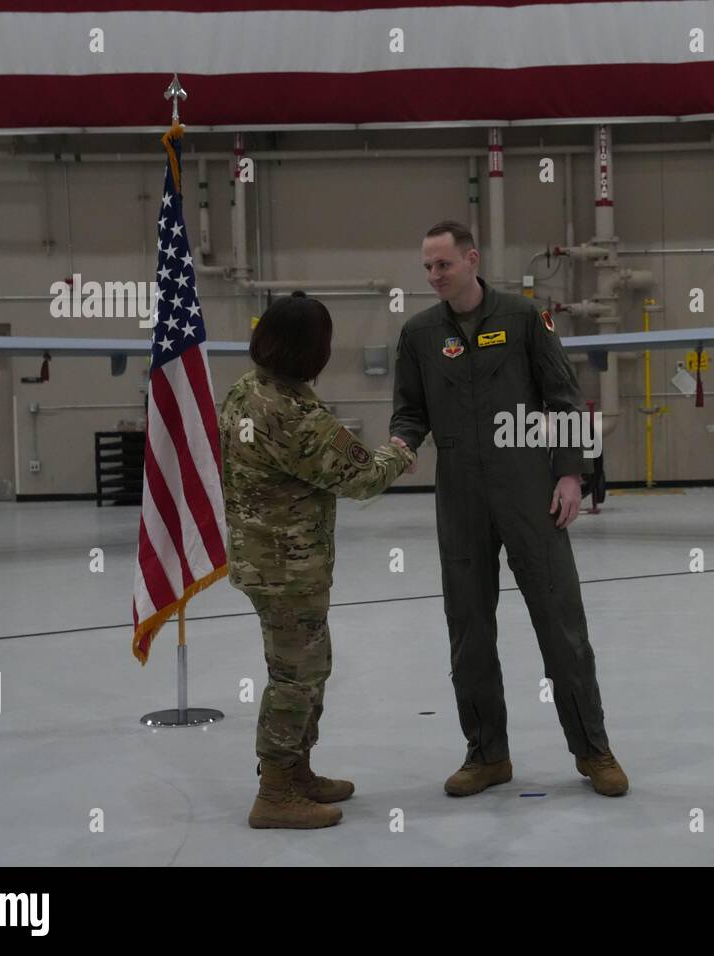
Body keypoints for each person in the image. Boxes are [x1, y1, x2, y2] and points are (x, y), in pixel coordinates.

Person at [389, 220, 627, 797]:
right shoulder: (419, 334)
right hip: (460, 500)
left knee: (561, 624)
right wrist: (400, 445)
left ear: (471, 259)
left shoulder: (525, 318)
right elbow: (409, 410)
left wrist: (570, 474)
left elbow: (564, 397)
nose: (433, 275)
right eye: (426, 267)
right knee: (468, 630)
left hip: (529, 491)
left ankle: (593, 751)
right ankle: (487, 754)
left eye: (442, 264)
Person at [220, 291, 415, 829]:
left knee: (306, 668)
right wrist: (401, 449)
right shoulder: (295, 414)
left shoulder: (244, 392)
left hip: (261, 560)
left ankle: (297, 771)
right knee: (296, 678)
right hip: (289, 568)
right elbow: (363, 478)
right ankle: (275, 791)